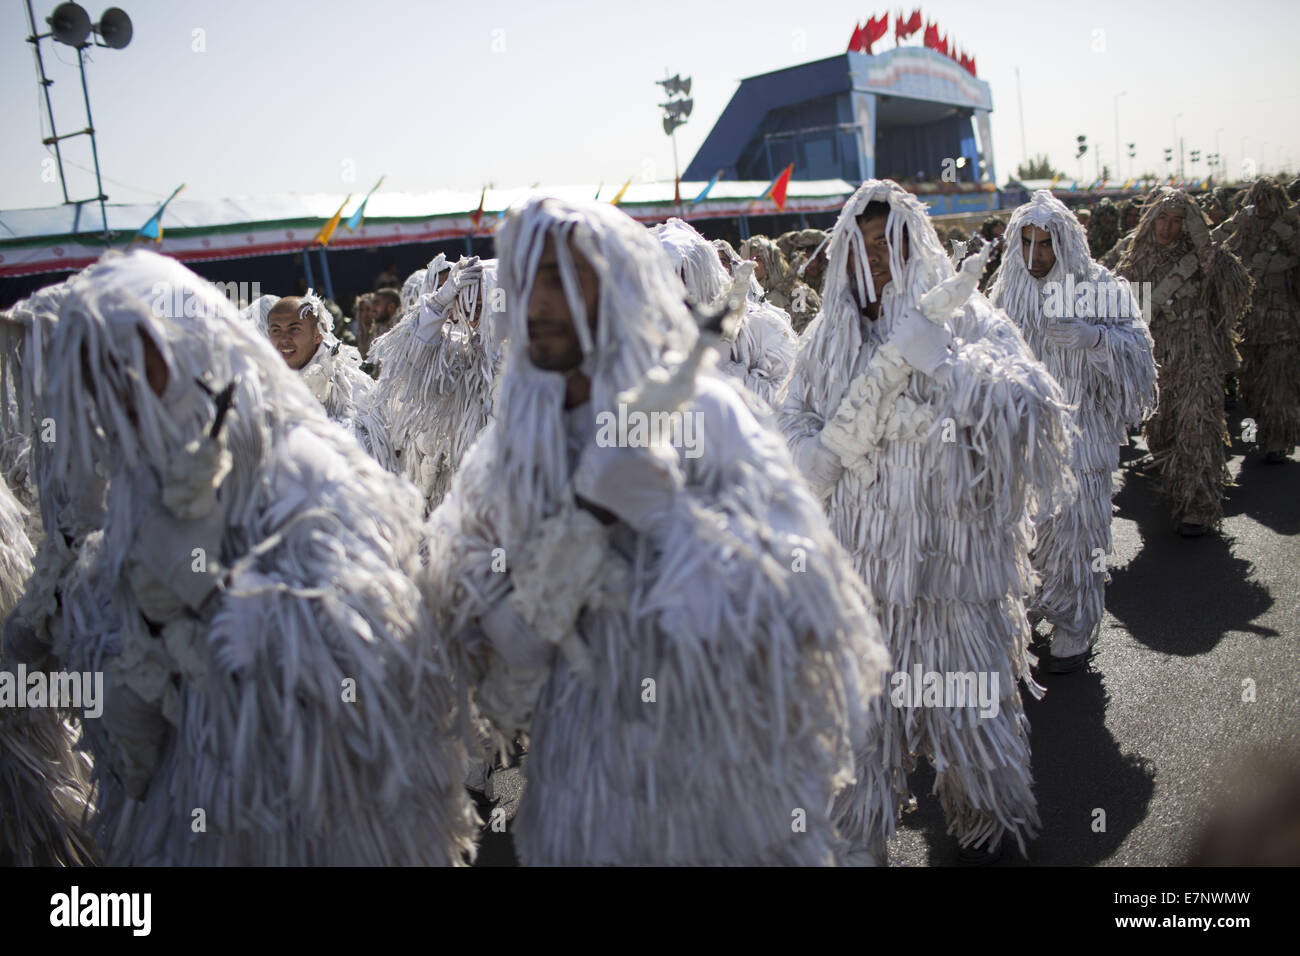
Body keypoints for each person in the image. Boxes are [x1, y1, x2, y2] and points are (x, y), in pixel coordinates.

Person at [426, 195, 886, 865]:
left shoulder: (710, 418)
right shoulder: (510, 449)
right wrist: (528, 600)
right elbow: (463, 620)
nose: (537, 303)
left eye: (562, 278)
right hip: (580, 794)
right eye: (527, 280)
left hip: (717, 783)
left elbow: (807, 604)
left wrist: (671, 527)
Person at [33, 249, 478, 864]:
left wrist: (245, 620)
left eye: (143, 360)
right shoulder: (131, 492)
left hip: (316, 803)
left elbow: (385, 641)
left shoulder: (305, 459)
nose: (125, 386)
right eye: (105, 370)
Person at [780, 179, 1075, 864]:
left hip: (954, 573)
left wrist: (944, 362)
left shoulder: (969, 318)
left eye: (892, 244)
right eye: (866, 245)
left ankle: (983, 820)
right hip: (858, 578)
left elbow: (1034, 408)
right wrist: (814, 455)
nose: (879, 260)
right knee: (857, 723)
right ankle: (854, 839)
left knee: (968, 713)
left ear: (916, 245)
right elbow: (791, 416)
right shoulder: (824, 338)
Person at [989, 190, 1157, 670]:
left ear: (1066, 244)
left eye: (1045, 244)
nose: (1035, 255)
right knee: (1027, 534)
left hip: (1084, 441)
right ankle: (1035, 608)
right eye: (1026, 243)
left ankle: (1075, 622)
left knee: (1078, 536)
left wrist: (1097, 339)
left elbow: (1141, 359)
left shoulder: (1101, 288)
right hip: (1023, 445)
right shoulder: (1006, 293)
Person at [1115, 188, 1253, 535]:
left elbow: (1233, 288)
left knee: (1198, 431)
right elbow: (1121, 314)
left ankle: (1198, 506)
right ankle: (1177, 489)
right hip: (1156, 364)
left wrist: (1203, 241)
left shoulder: (1204, 261)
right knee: (1161, 434)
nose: (1168, 228)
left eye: (1178, 221)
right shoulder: (1135, 263)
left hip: (1198, 361)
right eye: (1162, 218)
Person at [368, 254, 504, 513]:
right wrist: (439, 302)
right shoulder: (465, 355)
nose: (471, 315)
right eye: (465, 306)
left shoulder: (537, 357)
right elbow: (413, 363)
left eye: (480, 305)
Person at [653, 218, 797, 410]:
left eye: (683, 274)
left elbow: (788, 395)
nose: (676, 289)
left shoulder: (757, 326)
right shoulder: (650, 334)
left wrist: (724, 373)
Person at [1212, 177, 1300, 463]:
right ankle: (1262, 433)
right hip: (1248, 327)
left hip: (1282, 326)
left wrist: (1284, 232)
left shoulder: (1290, 227)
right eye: (1257, 198)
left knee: (1279, 387)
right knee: (1251, 386)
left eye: (1267, 198)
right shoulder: (1245, 230)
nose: (1261, 204)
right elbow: (1221, 251)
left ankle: (1276, 441)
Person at [264, 292, 383, 459]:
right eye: (276, 330)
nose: (284, 339)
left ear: (318, 334)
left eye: (294, 329)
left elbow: (369, 448)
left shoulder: (348, 383)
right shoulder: (264, 383)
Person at [740, 234, 822, 333]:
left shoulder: (795, 290)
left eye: (758, 258)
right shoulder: (746, 296)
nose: (753, 264)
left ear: (769, 262)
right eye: (748, 259)